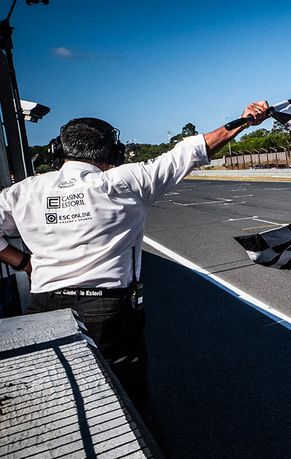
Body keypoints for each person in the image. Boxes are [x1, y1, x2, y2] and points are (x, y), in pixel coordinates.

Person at [0, 101, 271, 415]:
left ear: (57, 151)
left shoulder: (23, 191)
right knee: (125, 399)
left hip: (43, 305)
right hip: (109, 310)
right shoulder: (127, 180)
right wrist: (245, 121)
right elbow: (192, 151)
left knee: (60, 398)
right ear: (111, 152)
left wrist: (22, 262)